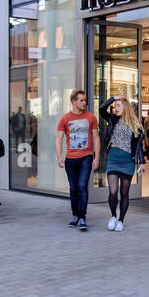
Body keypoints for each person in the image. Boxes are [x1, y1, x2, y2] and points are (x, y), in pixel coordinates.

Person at [99, 93, 145, 231]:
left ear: (125, 107)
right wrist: (114, 98)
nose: (115, 109)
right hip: (113, 160)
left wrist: (142, 162)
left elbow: (139, 147)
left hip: (127, 163)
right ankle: (113, 216)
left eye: (118, 106)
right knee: (113, 192)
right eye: (114, 107)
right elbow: (101, 109)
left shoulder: (135, 125)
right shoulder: (112, 119)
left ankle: (121, 220)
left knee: (124, 193)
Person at [56, 88, 99, 231]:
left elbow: (96, 138)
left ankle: (82, 217)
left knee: (82, 186)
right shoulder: (65, 119)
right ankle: (75, 215)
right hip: (71, 159)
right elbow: (59, 139)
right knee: (73, 188)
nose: (84, 103)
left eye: (84, 100)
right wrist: (59, 156)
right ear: (73, 102)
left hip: (86, 157)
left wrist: (96, 157)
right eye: (81, 100)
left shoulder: (91, 117)